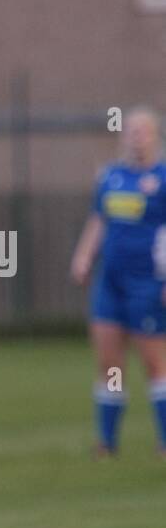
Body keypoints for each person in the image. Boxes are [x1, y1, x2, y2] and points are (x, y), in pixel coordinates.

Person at [70, 107, 166, 457]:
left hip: (149, 284)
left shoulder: (163, 177)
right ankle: (107, 442)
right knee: (110, 365)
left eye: (142, 131)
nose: (135, 137)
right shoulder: (111, 177)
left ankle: (164, 441)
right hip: (111, 284)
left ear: (156, 136)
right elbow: (99, 220)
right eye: (130, 131)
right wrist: (83, 257)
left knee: (155, 364)